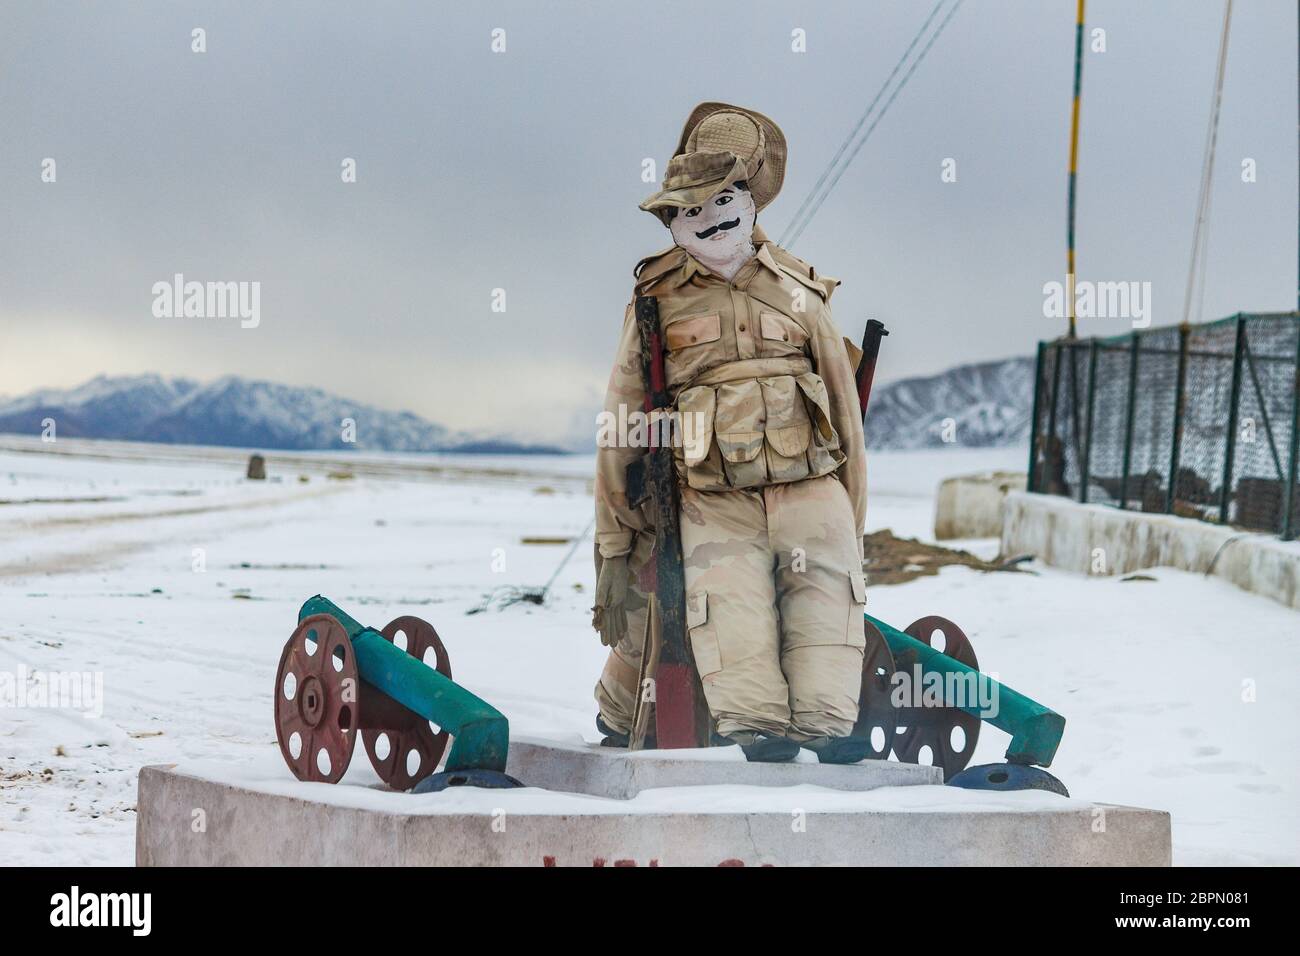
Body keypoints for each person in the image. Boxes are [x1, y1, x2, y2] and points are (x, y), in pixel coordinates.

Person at [592, 103, 870, 764]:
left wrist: (853, 519)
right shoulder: (655, 301)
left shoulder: (802, 293)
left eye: (722, 200)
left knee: (827, 612)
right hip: (713, 501)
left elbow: (843, 410)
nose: (708, 219)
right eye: (689, 210)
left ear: (749, 202)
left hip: (811, 492)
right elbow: (622, 415)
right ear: (672, 223)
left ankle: (827, 732)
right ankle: (762, 735)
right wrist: (613, 536)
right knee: (733, 615)